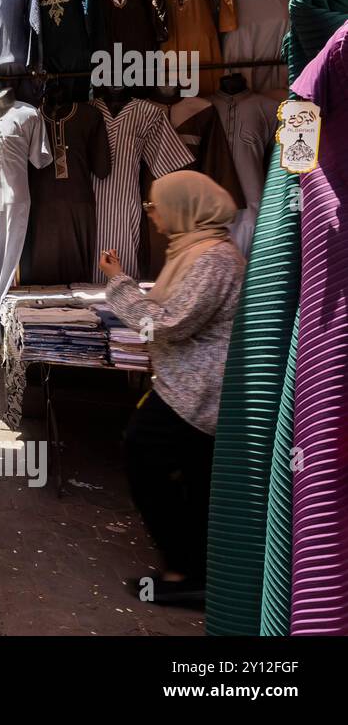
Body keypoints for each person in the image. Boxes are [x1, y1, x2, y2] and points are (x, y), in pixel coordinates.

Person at [98, 171, 244, 607]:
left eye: (155, 205)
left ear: (184, 207)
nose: (152, 214)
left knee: (144, 451)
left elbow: (167, 323)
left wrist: (120, 287)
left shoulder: (212, 258)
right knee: (197, 475)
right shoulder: (194, 251)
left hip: (194, 391)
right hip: (190, 385)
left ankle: (186, 569)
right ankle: (196, 570)